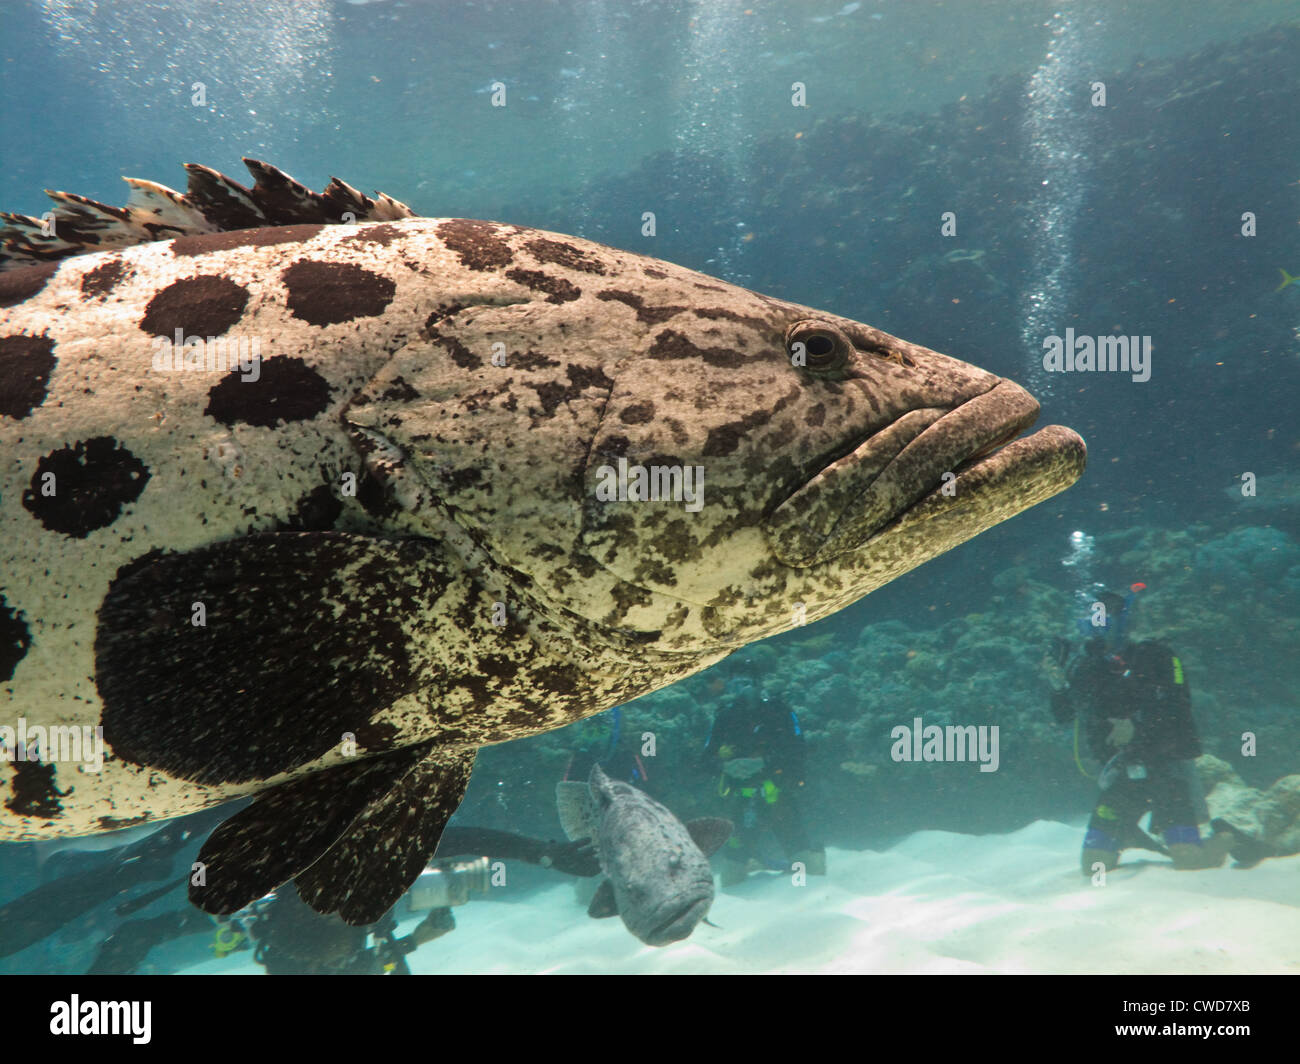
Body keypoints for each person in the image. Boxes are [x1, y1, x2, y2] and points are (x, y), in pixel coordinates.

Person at [1047, 585, 1232, 873]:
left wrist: (1138, 725)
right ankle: (1126, 833)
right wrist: (1058, 685)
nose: (1098, 626)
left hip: (1164, 771)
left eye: (1106, 616)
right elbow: (1064, 716)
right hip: (1121, 777)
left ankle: (1227, 836)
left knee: (1189, 859)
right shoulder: (1088, 667)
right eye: (1093, 617)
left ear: (1124, 619)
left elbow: (1178, 707)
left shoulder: (1158, 656)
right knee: (1094, 865)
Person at [703, 662, 825, 885]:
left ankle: (807, 856)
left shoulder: (780, 711)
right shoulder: (724, 718)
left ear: (759, 684)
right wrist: (725, 767)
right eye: (737, 682)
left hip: (780, 795)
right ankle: (753, 861)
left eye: (748, 681)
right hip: (744, 801)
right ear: (729, 685)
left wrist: (764, 764)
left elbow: (799, 750)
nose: (743, 687)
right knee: (731, 875)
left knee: (806, 866)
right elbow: (704, 759)